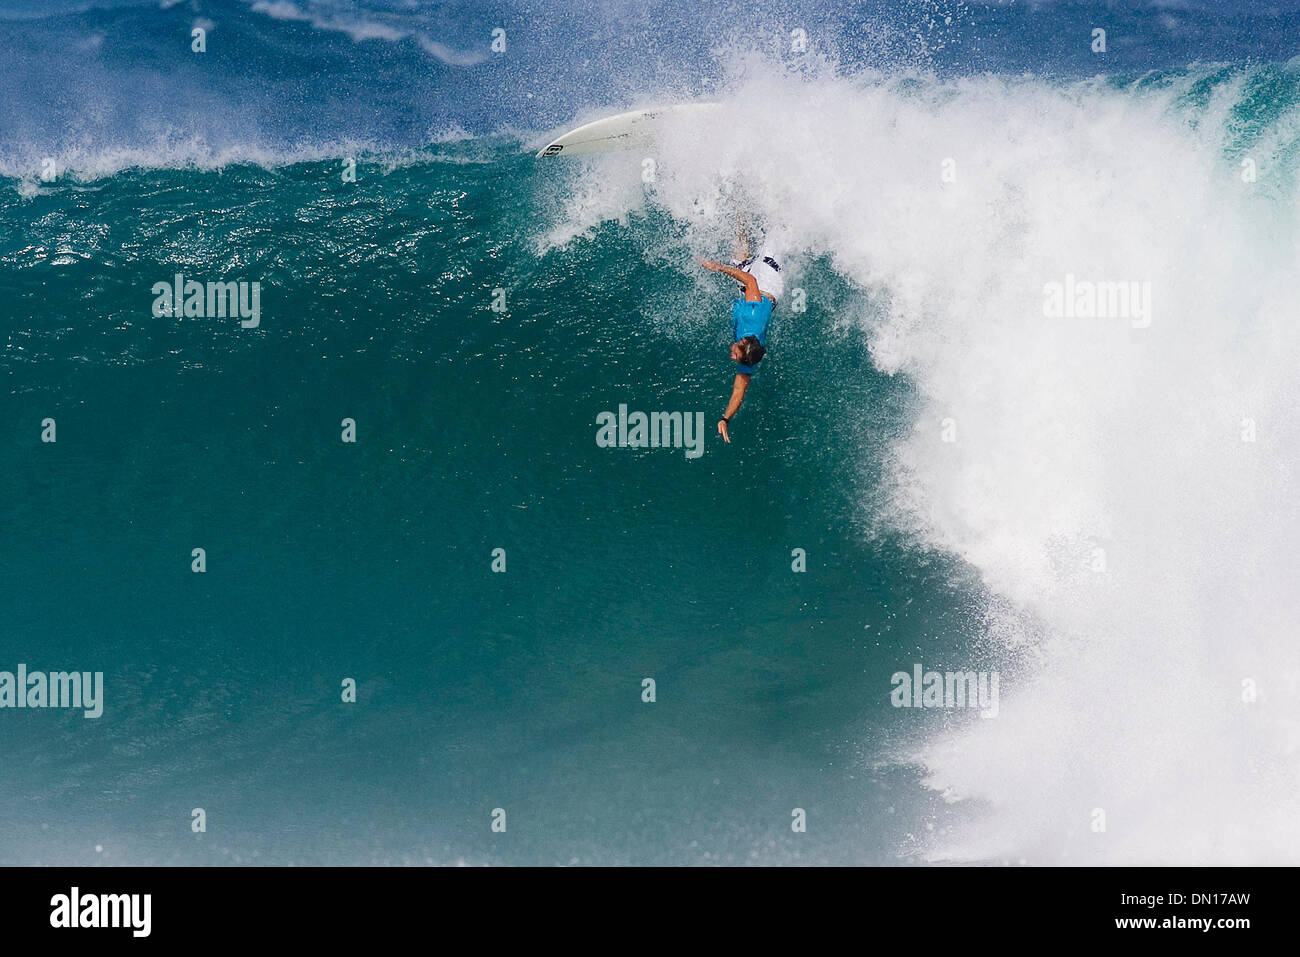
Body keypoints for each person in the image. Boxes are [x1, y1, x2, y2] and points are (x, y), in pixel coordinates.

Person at [697, 232, 783, 443]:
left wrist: (725, 418)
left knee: (739, 259)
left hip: (754, 288)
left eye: (736, 357)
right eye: (737, 354)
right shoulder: (752, 316)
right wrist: (717, 267)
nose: (733, 357)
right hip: (766, 277)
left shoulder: (750, 355)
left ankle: (740, 216)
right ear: (743, 343)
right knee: (776, 233)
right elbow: (751, 280)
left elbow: (739, 390)